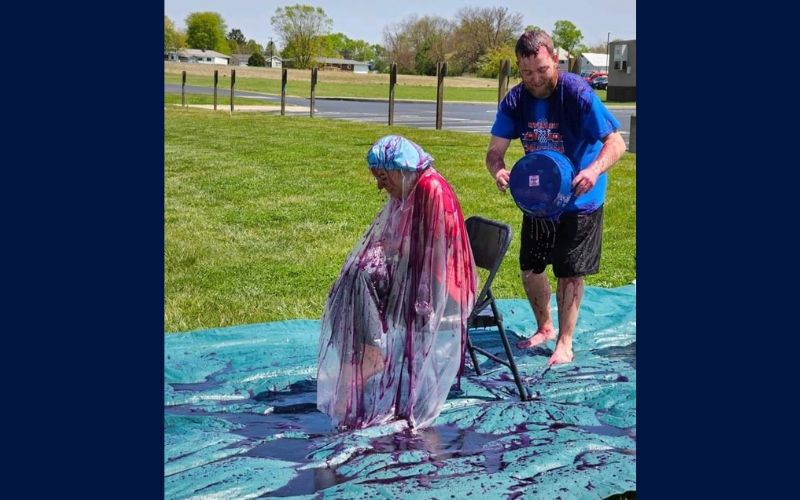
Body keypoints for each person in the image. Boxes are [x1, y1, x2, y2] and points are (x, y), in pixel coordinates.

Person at [485, 29, 627, 366]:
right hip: (538, 197)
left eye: (542, 70)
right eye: (526, 72)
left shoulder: (577, 93)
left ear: (555, 61)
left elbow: (616, 143)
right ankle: (545, 328)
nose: (534, 79)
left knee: (569, 270)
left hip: (581, 196)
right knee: (530, 269)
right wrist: (499, 171)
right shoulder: (516, 100)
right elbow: (494, 152)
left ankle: (564, 341)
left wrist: (593, 171)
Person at [317, 135, 476, 431]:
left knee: (361, 278)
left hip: (441, 287)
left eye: (382, 176)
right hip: (417, 273)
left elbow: (433, 253)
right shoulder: (407, 190)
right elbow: (395, 240)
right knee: (352, 280)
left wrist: (389, 255)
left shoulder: (432, 190)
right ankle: (365, 351)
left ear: (401, 170)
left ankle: (370, 355)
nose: (379, 185)